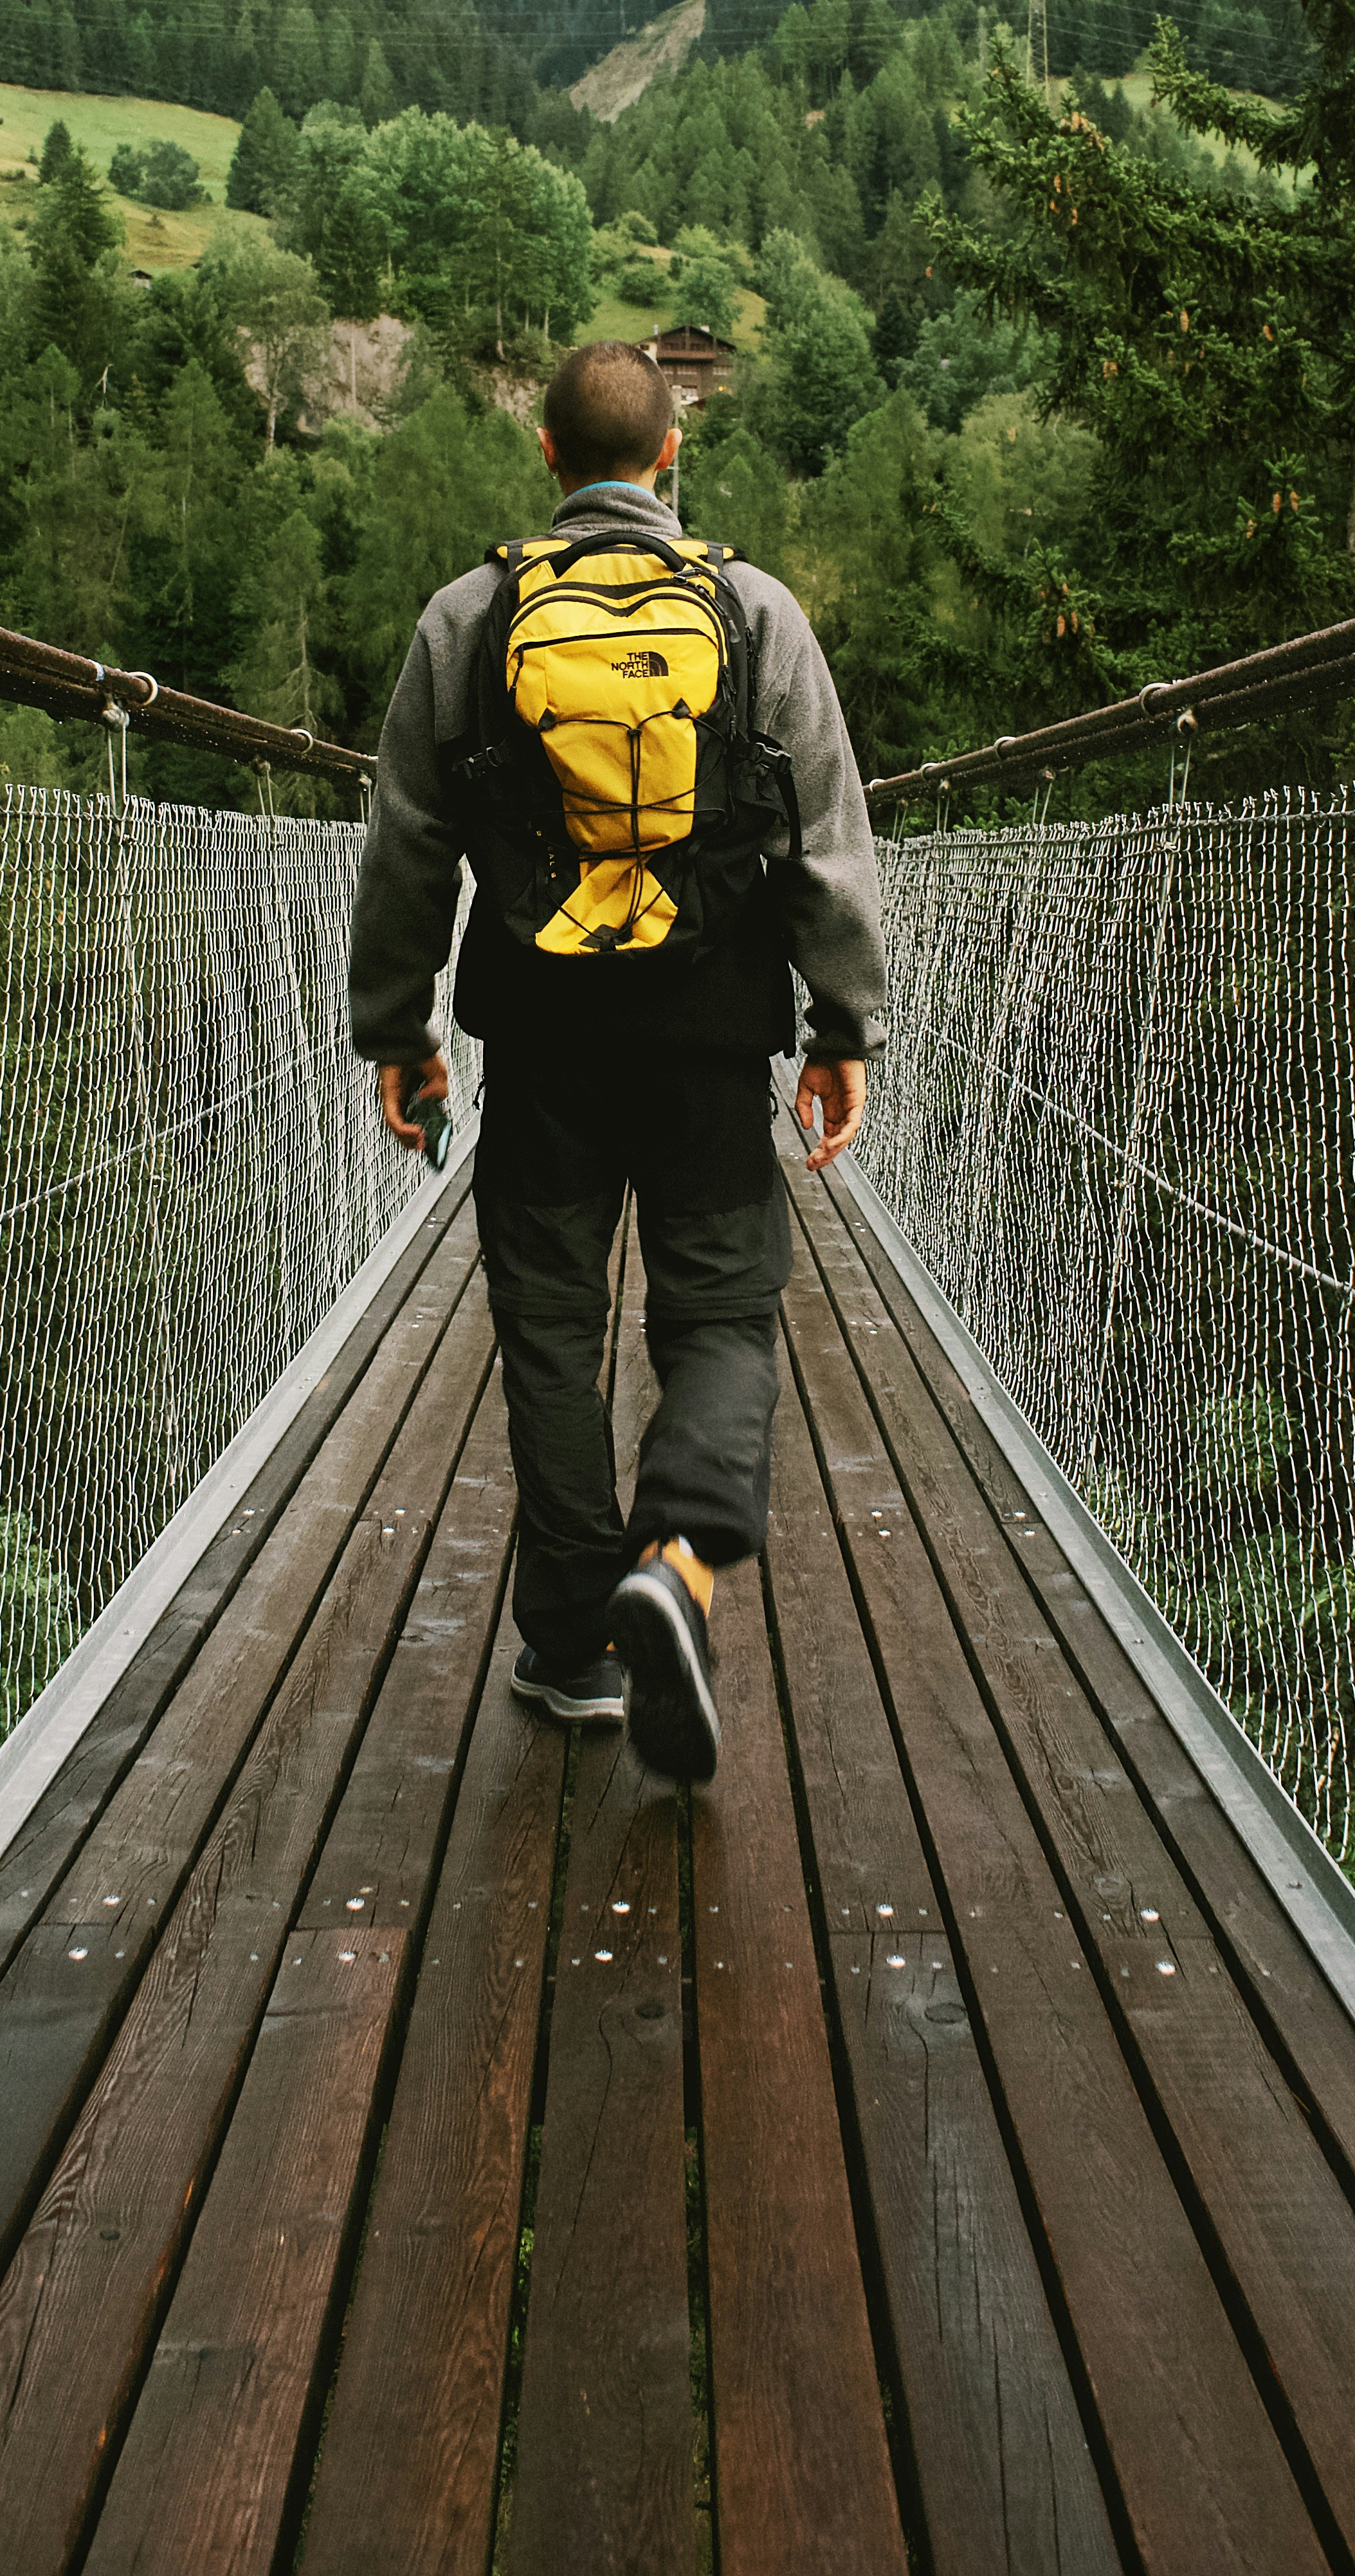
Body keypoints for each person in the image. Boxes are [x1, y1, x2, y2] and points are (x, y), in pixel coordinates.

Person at [347, 339, 886, 1784]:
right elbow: (827, 836)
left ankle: (574, 1644)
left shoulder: (470, 616)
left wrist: (396, 1031)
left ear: (544, 457)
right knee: (718, 1313)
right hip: (711, 1027)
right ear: (668, 457)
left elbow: (405, 842)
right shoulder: (753, 612)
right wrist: (843, 1029)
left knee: (550, 1326)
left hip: (537, 1030)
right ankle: (677, 1556)